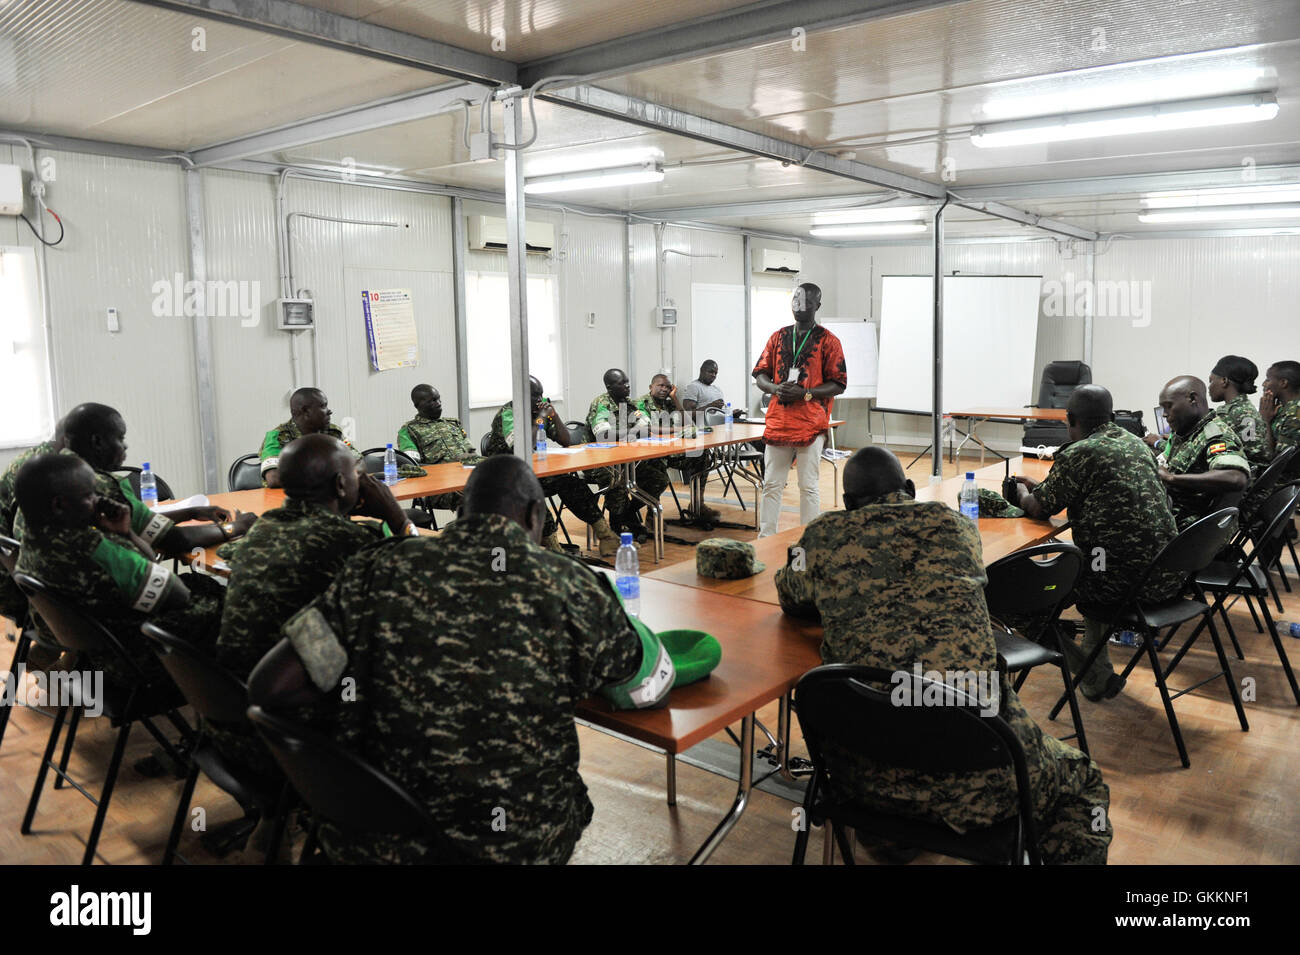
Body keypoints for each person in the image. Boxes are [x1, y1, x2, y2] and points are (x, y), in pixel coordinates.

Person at [247, 455, 672, 864]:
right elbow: (642, 686)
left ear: (461, 510)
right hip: (516, 844)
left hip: (371, 839)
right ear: (533, 516)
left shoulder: (374, 570)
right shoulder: (572, 587)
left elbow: (271, 686)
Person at [774, 446, 1111, 864]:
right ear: (911, 489)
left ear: (846, 504)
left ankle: (897, 837)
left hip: (862, 782)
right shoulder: (956, 526)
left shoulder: (822, 535)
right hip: (987, 785)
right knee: (1084, 782)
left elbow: (791, 595)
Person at [213, 434, 415, 778]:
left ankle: (272, 816)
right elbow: (419, 583)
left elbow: (227, 552)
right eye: (356, 474)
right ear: (340, 485)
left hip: (229, 726)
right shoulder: (351, 542)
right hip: (297, 746)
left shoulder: (262, 530)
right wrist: (397, 518)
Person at [1012, 386, 1183, 701]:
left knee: (1018, 600)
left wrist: (1022, 494)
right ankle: (1095, 673)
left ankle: (1091, 672)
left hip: (1121, 582)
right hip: (1169, 574)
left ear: (1070, 420)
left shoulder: (1079, 452)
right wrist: (1048, 488)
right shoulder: (1137, 444)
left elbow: (1038, 509)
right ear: (1113, 417)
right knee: (1098, 557)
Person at [13, 453, 223, 687]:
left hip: (96, 650)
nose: (97, 501)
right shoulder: (94, 550)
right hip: (134, 661)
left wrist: (126, 534)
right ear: (60, 504)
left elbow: (149, 562)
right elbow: (178, 594)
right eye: (88, 495)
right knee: (237, 604)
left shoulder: (32, 541)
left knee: (205, 586)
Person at [8, 403, 253, 554]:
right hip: (117, 617)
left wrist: (189, 512)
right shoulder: (93, 484)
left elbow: (135, 521)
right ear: (97, 442)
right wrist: (234, 528)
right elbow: (174, 540)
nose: (126, 445)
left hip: (66, 613)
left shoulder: (51, 473)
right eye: (120, 437)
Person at [485, 375, 620, 555]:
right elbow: (520, 447)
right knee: (534, 493)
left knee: (572, 484)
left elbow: (566, 441)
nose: (540, 400)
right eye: (534, 395)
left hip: (532, 470)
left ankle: (606, 536)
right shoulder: (509, 413)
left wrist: (554, 416)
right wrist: (541, 418)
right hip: (505, 476)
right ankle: (553, 548)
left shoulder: (539, 411)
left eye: (541, 394)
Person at [752, 282, 846, 537]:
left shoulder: (828, 341)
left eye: (805, 301)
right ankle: (766, 538)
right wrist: (774, 388)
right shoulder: (778, 336)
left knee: (808, 486)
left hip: (810, 425)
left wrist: (805, 393)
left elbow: (838, 384)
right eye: (795, 299)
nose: (798, 305)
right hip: (778, 424)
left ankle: (809, 538)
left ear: (817, 305)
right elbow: (759, 373)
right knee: (771, 484)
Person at [1154, 376, 1250, 528]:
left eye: (1168, 406)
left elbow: (1236, 477)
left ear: (1193, 399)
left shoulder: (1215, 435)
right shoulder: (1189, 432)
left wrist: (1171, 478)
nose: (1165, 414)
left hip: (1185, 527)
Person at [587, 368, 670, 543]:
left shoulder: (630, 404)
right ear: (609, 386)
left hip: (627, 459)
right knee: (617, 484)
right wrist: (633, 431)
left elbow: (645, 425)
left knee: (659, 479)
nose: (627, 386)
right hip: (602, 462)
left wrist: (632, 431)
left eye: (627, 382)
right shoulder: (601, 404)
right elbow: (603, 435)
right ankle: (619, 528)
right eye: (622, 383)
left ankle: (628, 514)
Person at [638, 373, 719, 524]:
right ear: (651, 387)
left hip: (671, 451)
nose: (664, 389)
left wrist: (675, 399)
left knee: (702, 455)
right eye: (660, 385)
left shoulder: (668, 404)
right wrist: (676, 430)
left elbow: (687, 423)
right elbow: (648, 428)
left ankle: (697, 504)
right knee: (657, 466)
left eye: (667, 387)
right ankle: (652, 514)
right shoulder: (641, 404)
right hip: (650, 454)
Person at [396, 383, 479, 511]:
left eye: (439, 399)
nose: (439, 403)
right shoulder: (409, 430)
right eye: (432, 401)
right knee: (479, 495)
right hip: (438, 487)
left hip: (466, 479)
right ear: (418, 405)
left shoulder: (453, 424)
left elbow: (472, 455)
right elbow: (413, 467)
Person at [260, 388, 357, 489]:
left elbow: (358, 462)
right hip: (288, 499)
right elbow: (274, 479)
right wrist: (332, 476)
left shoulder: (334, 432)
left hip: (329, 497)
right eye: (323, 406)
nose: (329, 411)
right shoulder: (277, 436)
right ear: (306, 411)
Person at [1208, 356, 1271, 470]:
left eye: (1211, 381)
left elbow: (1256, 456)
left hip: (1241, 478)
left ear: (1224, 381)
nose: (1209, 387)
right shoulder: (1242, 408)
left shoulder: (1235, 414)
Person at [1260, 360, 1300, 457]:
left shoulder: (1294, 415)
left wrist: (1266, 421)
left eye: (1268, 380)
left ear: (1283, 383)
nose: (1263, 384)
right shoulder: (1282, 408)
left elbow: (1276, 460)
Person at [680, 360, 745, 419]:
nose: (713, 375)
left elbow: (720, 412)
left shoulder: (717, 389)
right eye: (711, 372)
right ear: (702, 370)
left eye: (715, 373)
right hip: (706, 428)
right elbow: (688, 415)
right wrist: (710, 406)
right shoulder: (694, 387)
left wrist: (731, 414)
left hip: (721, 425)